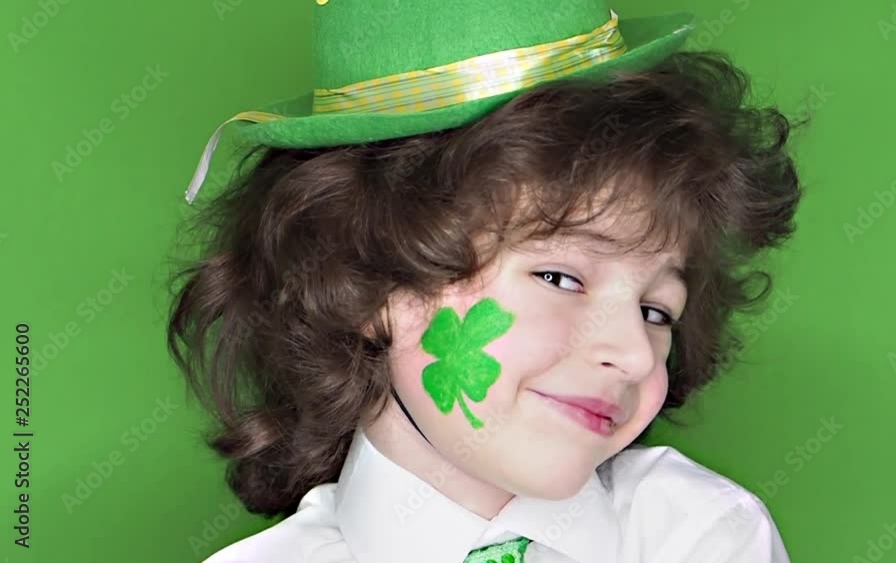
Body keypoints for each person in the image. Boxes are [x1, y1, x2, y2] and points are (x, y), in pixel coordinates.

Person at [167, 0, 803, 561]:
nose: (636, 355)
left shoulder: (702, 539)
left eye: (658, 311)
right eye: (559, 277)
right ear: (364, 286)